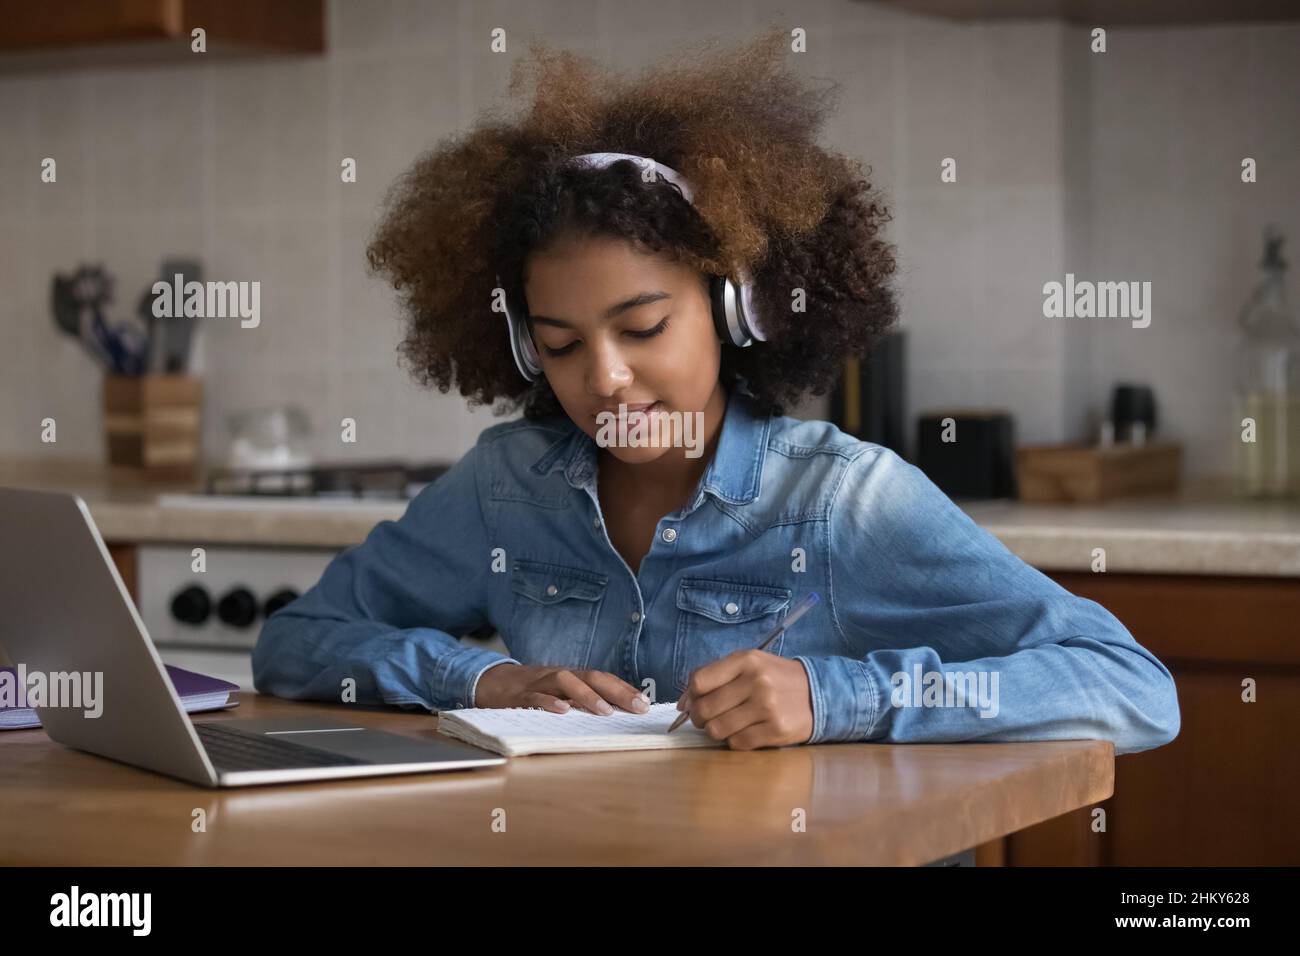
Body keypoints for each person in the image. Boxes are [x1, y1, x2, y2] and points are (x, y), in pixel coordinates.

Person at [252, 30, 1179, 754]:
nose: (604, 378)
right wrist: (478, 680)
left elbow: (1129, 684)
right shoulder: (510, 487)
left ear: (736, 310)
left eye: (644, 328)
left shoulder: (840, 502)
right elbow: (297, 641)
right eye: (562, 343)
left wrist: (838, 697)